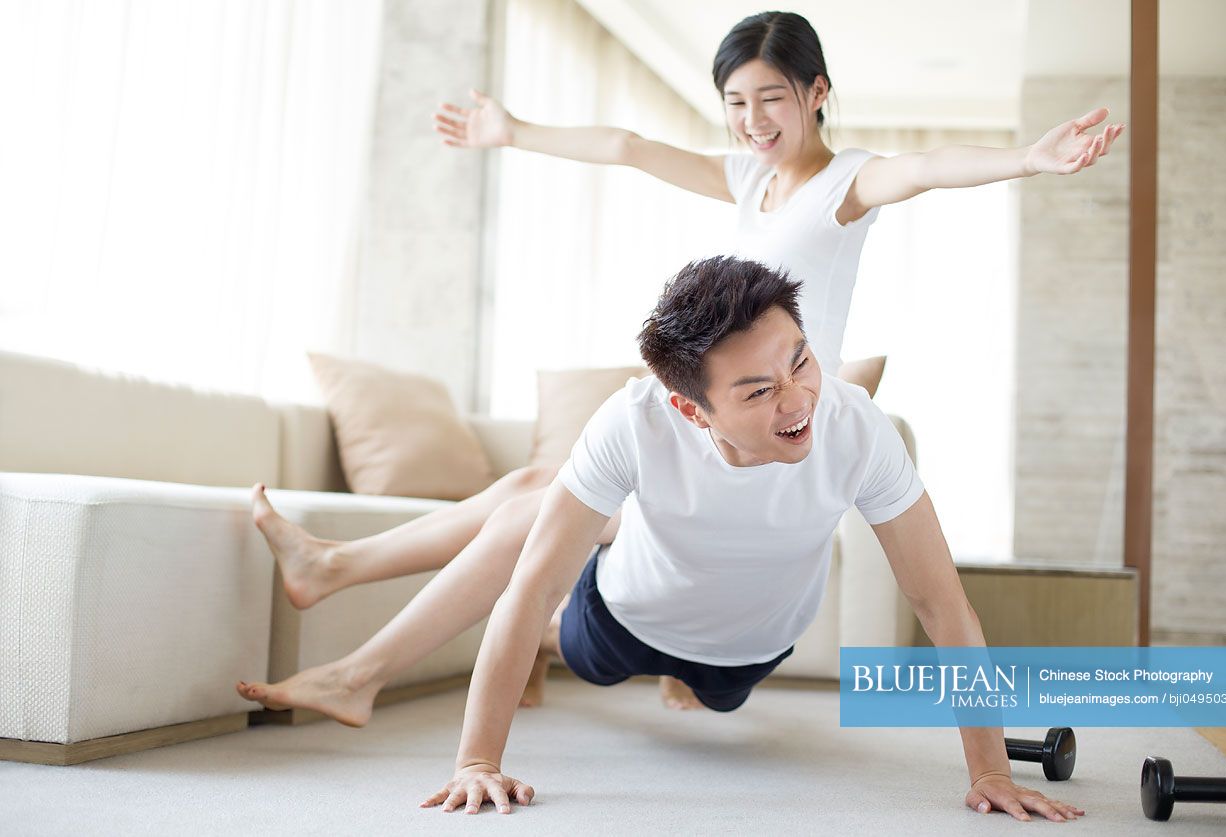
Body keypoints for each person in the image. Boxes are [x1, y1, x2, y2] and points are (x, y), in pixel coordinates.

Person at [250, 9, 1123, 709]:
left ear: (817, 92)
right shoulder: (749, 178)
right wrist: (512, 132)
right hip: (729, 422)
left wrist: (1026, 160)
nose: (752, 123)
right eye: (735, 104)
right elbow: (628, 148)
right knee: (528, 494)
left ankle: (351, 635)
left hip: (774, 433)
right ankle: (343, 594)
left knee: (533, 506)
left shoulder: (847, 179)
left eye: (771, 99)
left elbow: (926, 167)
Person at [401, 256, 1084, 819]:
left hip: (749, 647)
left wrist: (990, 768)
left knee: (720, 700)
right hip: (624, 613)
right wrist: (477, 761)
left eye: (802, 362)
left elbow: (940, 602)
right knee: (582, 652)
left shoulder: (855, 428)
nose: (797, 400)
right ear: (690, 409)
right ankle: (557, 640)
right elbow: (530, 585)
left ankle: (677, 670)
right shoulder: (630, 422)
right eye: (758, 392)